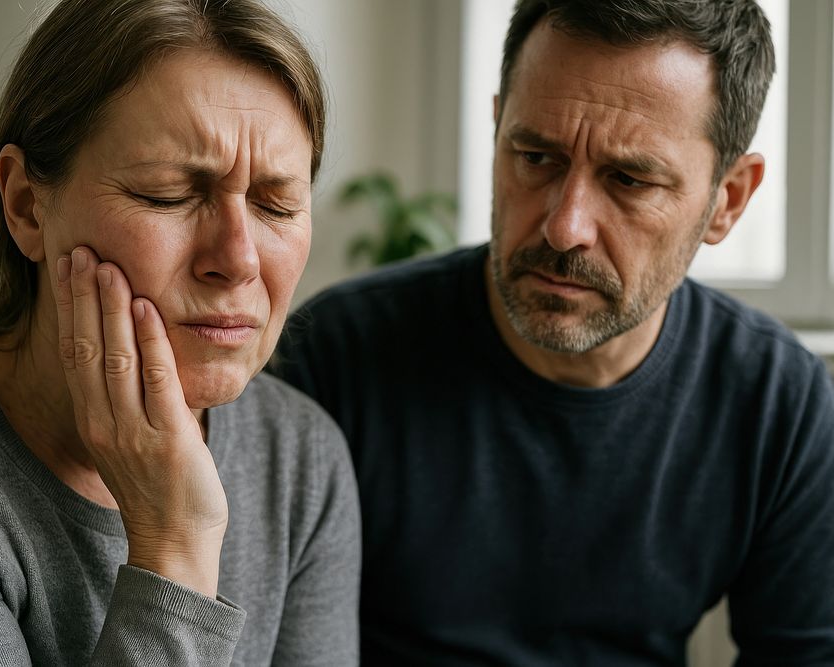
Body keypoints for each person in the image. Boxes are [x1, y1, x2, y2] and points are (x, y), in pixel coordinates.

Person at [272, 0, 834, 664]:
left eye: (630, 179)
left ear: (728, 200)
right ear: (495, 129)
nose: (565, 226)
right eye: (536, 156)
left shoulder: (778, 401)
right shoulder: (339, 356)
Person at [0, 0, 360, 664]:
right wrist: (176, 546)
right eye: (168, 194)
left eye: (275, 203)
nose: (239, 258)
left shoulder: (302, 458)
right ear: (26, 205)